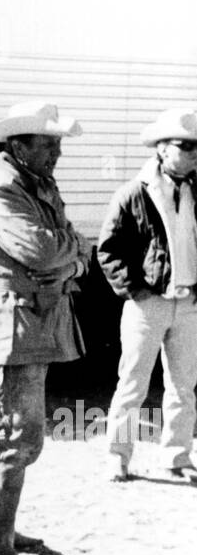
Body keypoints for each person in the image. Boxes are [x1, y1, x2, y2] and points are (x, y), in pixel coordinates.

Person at [0, 102, 88, 555]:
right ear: (17, 146)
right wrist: (72, 257)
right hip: (15, 324)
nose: (57, 152)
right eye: (48, 143)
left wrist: (69, 256)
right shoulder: (3, 191)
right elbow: (43, 251)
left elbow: (70, 242)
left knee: (10, 430)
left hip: (30, 321)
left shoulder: (32, 186)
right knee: (20, 436)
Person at [98, 107, 197, 483]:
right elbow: (108, 250)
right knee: (133, 385)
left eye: (196, 147)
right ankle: (117, 457)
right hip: (148, 303)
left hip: (188, 303)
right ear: (161, 149)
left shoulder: (195, 189)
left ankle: (177, 456)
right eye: (185, 146)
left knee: (183, 387)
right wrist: (135, 291)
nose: (193, 153)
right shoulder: (132, 193)